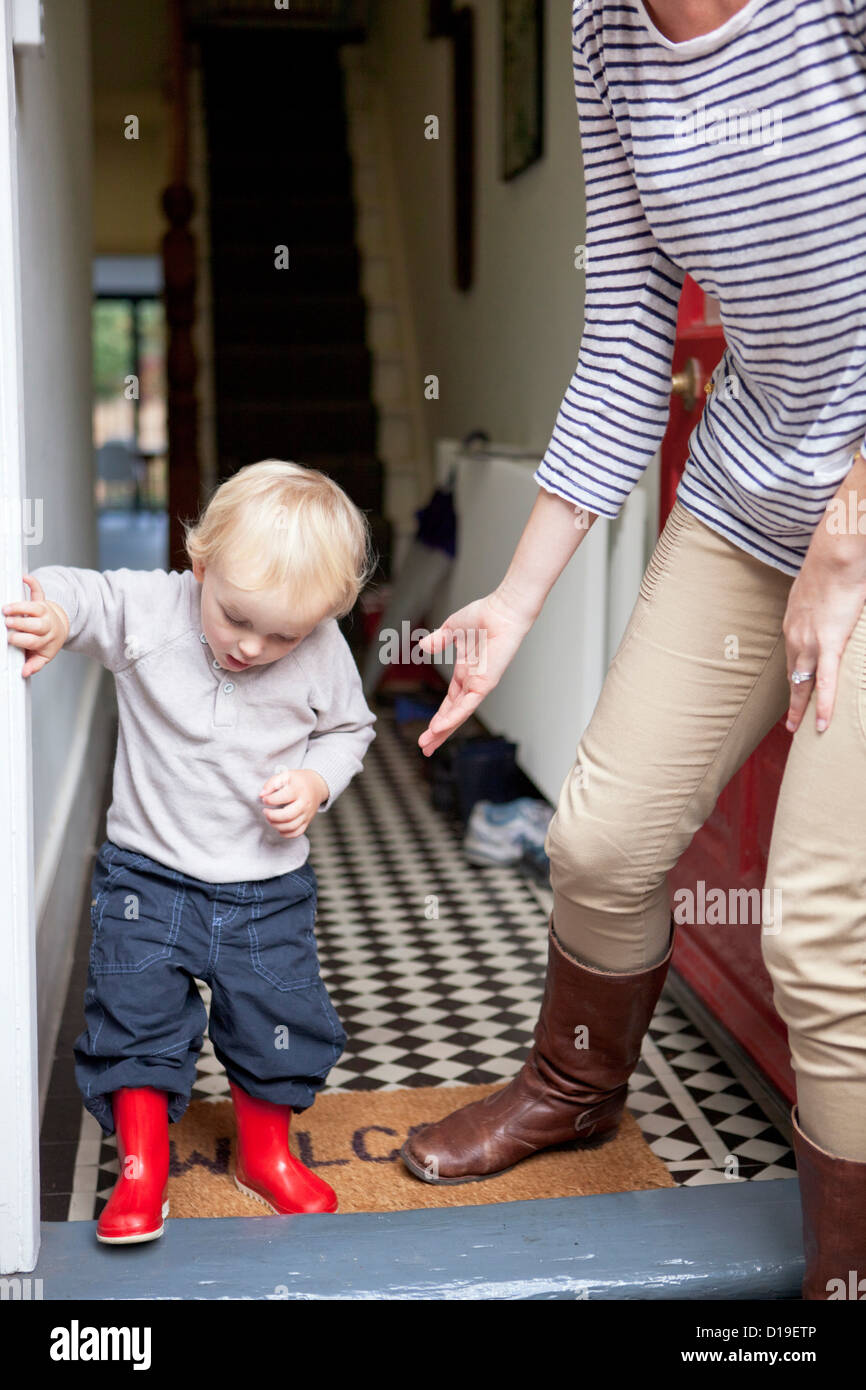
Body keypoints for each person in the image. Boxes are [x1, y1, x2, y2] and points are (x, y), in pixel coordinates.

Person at [399, 0, 866, 1300]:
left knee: (824, 930)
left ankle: (843, 1273)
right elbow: (624, 329)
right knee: (599, 840)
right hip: (748, 500)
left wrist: (853, 519)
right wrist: (514, 595)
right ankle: (572, 1088)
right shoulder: (603, 26)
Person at [3, 459, 377, 1243]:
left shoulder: (319, 646)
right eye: (237, 618)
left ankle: (265, 1155)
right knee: (133, 1017)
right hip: (147, 879)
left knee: (276, 1016)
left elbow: (350, 730)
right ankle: (141, 1169)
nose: (253, 646)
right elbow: (81, 592)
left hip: (266, 890)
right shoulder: (152, 609)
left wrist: (315, 781)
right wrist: (59, 619)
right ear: (198, 565)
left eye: (285, 633)